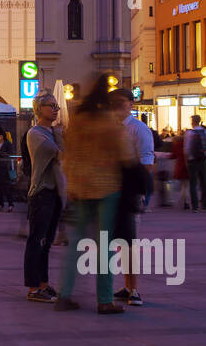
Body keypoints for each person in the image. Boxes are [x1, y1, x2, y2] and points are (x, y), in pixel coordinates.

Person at [56, 77, 129, 315]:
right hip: (106, 188)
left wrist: (74, 180)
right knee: (104, 246)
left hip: (79, 188)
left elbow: (67, 154)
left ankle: (64, 295)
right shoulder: (109, 122)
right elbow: (126, 155)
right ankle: (105, 300)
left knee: (75, 244)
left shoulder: (77, 120)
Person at [109, 90, 151, 306]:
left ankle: (133, 288)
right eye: (113, 102)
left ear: (131, 104)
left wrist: (139, 192)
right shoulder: (110, 128)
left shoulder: (138, 129)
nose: (117, 106)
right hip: (110, 192)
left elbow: (147, 162)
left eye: (121, 102)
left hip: (129, 193)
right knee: (117, 243)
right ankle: (126, 285)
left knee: (129, 243)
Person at [23, 92, 65, 303]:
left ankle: (44, 284)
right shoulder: (35, 133)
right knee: (37, 241)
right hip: (41, 193)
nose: (56, 109)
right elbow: (60, 153)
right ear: (39, 109)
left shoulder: (53, 131)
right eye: (51, 106)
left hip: (55, 192)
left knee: (46, 242)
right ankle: (33, 287)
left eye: (57, 105)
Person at [184, 114, 206, 212]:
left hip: (192, 161)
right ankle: (204, 205)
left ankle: (195, 207)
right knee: (204, 183)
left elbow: (187, 149)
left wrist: (187, 160)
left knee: (193, 184)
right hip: (203, 160)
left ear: (193, 122)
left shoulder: (189, 133)